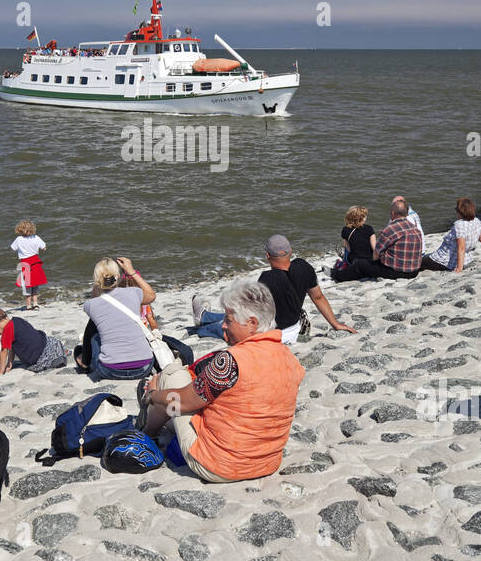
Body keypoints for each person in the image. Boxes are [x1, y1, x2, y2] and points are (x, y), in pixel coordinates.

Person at [142, 282, 305, 482]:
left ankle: (147, 433)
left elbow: (182, 401)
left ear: (252, 323)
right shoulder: (290, 359)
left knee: (171, 375)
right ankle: (155, 422)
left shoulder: (229, 362)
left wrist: (153, 394)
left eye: (228, 319)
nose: (223, 325)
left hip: (219, 466)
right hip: (267, 463)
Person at [195, 236, 357, 343]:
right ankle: (205, 315)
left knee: (227, 324)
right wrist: (335, 324)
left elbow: (252, 315)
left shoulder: (268, 279)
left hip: (274, 333)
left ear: (267, 256)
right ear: (290, 251)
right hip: (293, 327)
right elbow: (318, 297)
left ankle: (203, 323)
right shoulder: (304, 267)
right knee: (232, 316)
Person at [76, 257, 158, 379]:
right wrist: (131, 272)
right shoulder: (134, 292)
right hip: (144, 367)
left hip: (110, 370)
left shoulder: (90, 305)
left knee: (93, 331)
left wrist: (97, 286)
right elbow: (151, 295)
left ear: (96, 280)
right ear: (118, 276)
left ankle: (85, 362)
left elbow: (97, 303)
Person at [0, 306, 67, 376]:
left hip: (40, 360)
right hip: (48, 344)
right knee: (51, 342)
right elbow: (12, 347)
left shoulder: (6, 332)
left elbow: (4, 351)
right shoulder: (18, 320)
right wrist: (9, 364)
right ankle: (60, 353)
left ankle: (55, 360)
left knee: (37, 364)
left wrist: (0, 370)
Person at [419, 198, 481, 272]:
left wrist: (459, 268)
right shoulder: (476, 221)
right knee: (427, 257)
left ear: (460, 212)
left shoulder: (459, 225)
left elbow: (461, 248)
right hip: (466, 259)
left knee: (420, 261)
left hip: (446, 261)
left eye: (456, 209)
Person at [331, 206, 377, 281]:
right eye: (365, 216)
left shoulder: (345, 230)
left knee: (346, 250)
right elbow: (375, 249)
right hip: (369, 261)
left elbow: (349, 249)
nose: (366, 217)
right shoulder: (369, 229)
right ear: (361, 218)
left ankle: (344, 263)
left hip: (354, 261)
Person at [11, 220, 47, 310]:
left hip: (25, 263)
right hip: (35, 262)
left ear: (20, 229)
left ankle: (28, 305)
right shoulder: (36, 237)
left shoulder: (18, 239)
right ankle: (35, 303)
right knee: (35, 283)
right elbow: (44, 247)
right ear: (32, 229)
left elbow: (13, 248)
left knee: (27, 284)